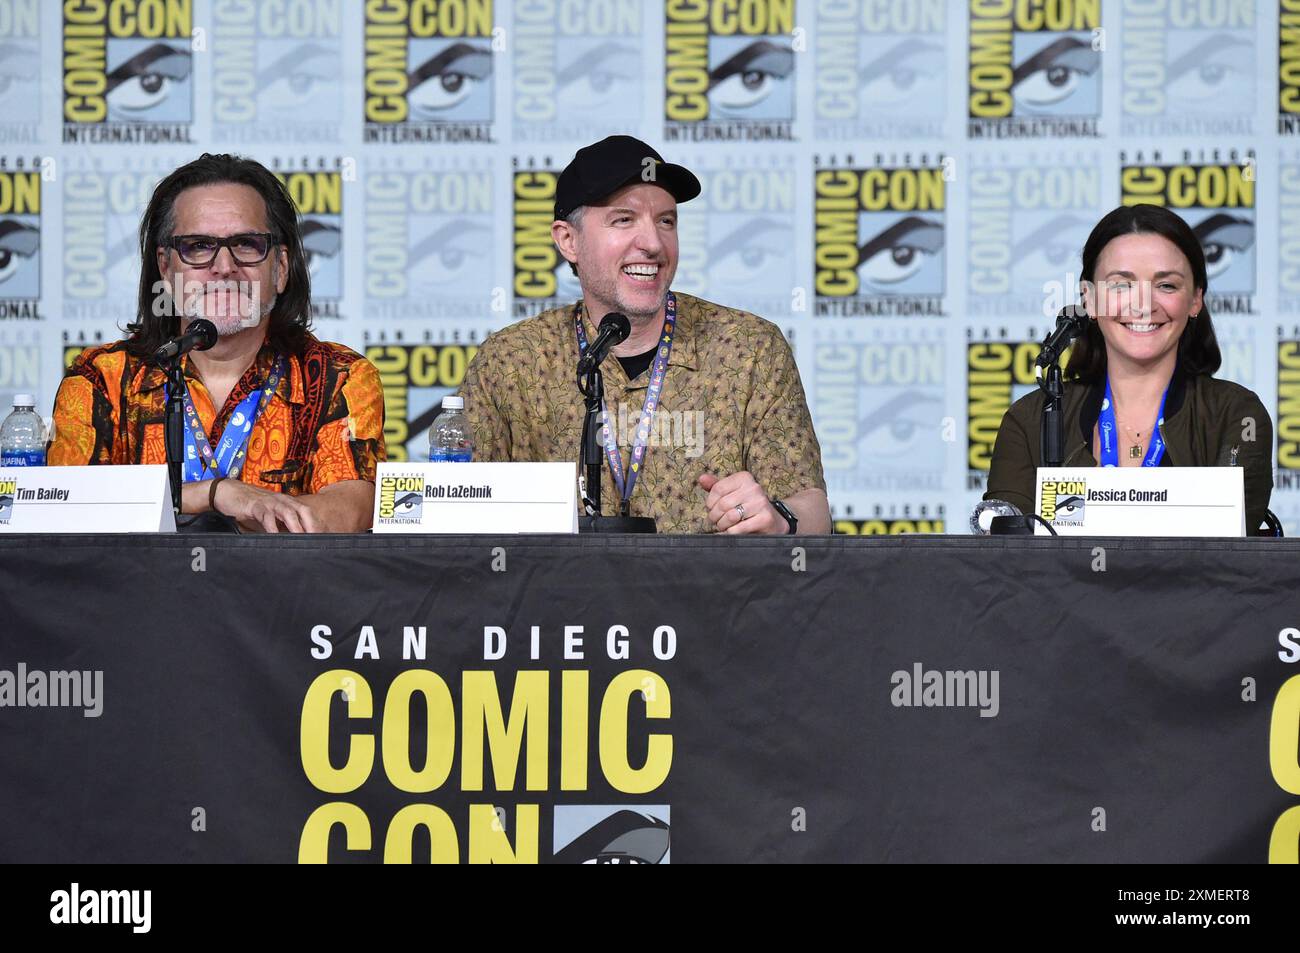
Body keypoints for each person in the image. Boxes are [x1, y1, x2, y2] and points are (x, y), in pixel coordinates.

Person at [459, 135, 829, 534]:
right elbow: (453, 512)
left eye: (666, 221)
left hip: (712, 595)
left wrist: (778, 519)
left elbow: (814, 512)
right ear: (569, 240)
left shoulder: (750, 348)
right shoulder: (511, 359)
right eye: (624, 219)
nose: (653, 243)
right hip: (557, 595)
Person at [49, 153, 385, 533]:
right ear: (165, 267)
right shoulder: (100, 379)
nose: (224, 266)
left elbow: (350, 511)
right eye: (198, 246)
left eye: (246, 244)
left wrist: (192, 503)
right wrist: (216, 494)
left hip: (280, 592)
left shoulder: (337, 378)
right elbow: (66, 506)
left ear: (280, 268)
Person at [984, 203, 1273, 533]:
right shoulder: (1029, 420)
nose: (1142, 304)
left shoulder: (1237, 415)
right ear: (1088, 299)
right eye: (1121, 285)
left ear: (1195, 299)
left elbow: (1226, 553)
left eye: (1166, 285)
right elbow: (1005, 557)